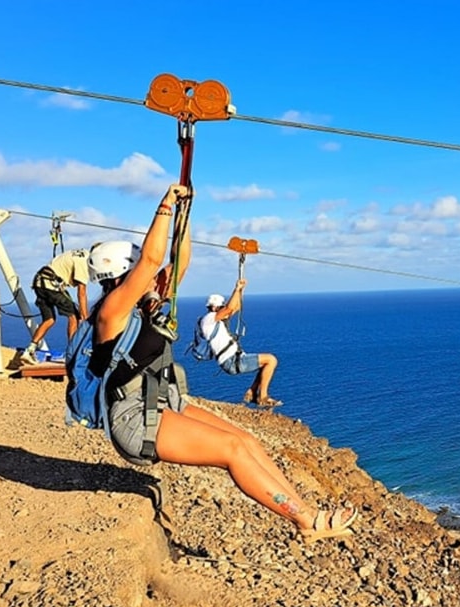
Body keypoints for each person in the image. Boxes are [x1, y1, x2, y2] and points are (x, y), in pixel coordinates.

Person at [84, 183, 356, 541]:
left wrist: (186, 212)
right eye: (140, 271)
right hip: (135, 421)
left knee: (246, 441)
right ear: (122, 274)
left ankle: (304, 507)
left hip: (161, 404)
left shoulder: (144, 305)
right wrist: (164, 206)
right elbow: (152, 260)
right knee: (231, 451)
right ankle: (307, 521)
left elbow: (179, 263)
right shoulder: (112, 313)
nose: (151, 276)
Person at [197, 281, 283, 407]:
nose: (222, 309)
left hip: (234, 359)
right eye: (221, 307)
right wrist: (236, 289)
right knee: (271, 360)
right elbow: (229, 308)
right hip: (231, 361)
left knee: (265, 363)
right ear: (215, 308)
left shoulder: (215, 320)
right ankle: (262, 397)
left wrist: (240, 291)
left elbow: (235, 308)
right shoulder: (209, 319)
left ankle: (253, 391)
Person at [19, 247, 91, 364]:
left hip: (39, 283)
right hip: (50, 284)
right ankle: (71, 355)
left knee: (49, 320)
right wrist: (85, 317)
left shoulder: (79, 254)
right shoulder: (84, 262)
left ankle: (29, 350)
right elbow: (81, 293)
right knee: (74, 316)